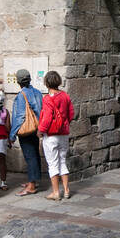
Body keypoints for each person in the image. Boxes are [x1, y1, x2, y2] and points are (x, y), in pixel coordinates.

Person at [38, 70, 74, 201]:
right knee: (62, 161)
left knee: (53, 163)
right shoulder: (65, 96)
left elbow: (47, 118)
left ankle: (55, 192)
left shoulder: (47, 99)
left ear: (46, 83)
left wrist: (40, 130)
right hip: (64, 134)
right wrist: (64, 124)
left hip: (51, 136)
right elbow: (71, 114)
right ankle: (66, 190)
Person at [9, 67, 45, 195]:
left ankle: (31, 186)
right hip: (36, 128)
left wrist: (12, 135)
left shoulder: (21, 96)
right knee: (35, 154)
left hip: (26, 130)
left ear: (18, 82)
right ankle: (33, 180)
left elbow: (19, 117)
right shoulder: (38, 92)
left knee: (30, 157)